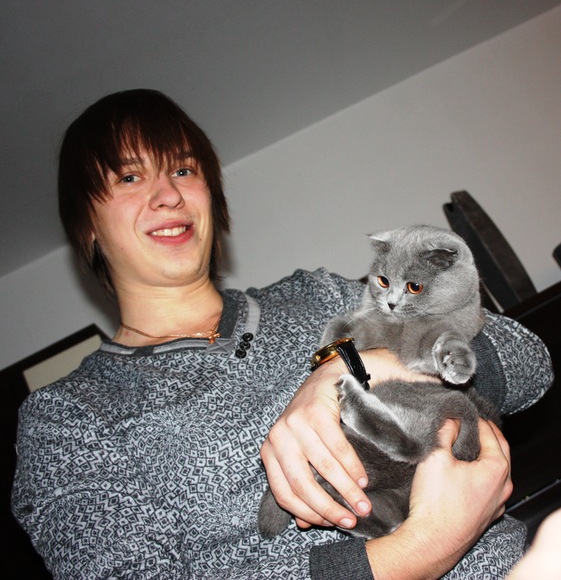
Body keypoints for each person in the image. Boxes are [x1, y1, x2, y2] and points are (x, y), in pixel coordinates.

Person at [11, 89, 553, 579]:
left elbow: (527, 358)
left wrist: (354, 367)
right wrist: (426, 545)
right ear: (87, 223)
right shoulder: (68, 419)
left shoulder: (315, 295)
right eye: (129, 178)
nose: (168, 194)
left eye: (183, 169)